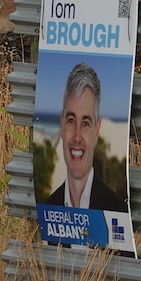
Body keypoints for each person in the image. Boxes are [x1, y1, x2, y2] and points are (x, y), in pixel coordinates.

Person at [40, 62, 128, 212]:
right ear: (62, 124)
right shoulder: (48, 208)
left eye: (85, 123)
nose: (77, 136)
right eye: (71, 121)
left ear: (96, 130)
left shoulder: (117, 210)